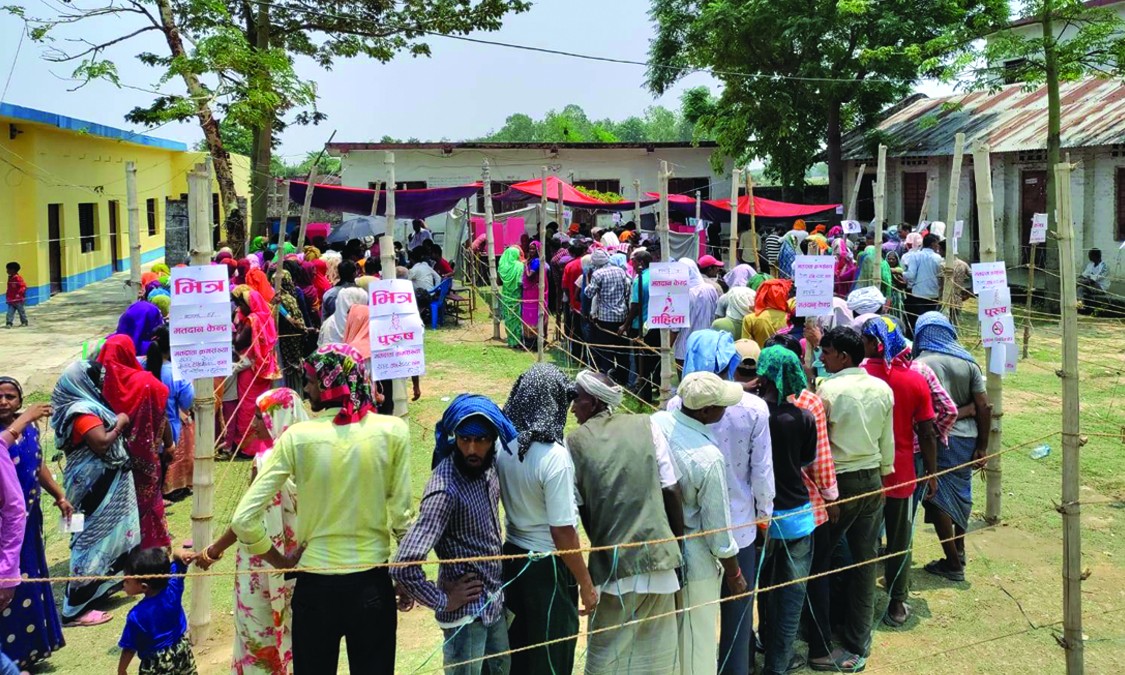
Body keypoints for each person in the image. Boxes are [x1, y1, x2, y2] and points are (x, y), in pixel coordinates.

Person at [230, 344, 413, 673]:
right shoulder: (392, 431)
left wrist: (280, 561)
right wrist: (407, 576)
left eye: (312, 381)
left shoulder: (297, 438)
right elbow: (402, 521)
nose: (308, 389)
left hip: (314, 590)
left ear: (332, 382)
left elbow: (243, 520)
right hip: (372, 586)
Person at [567, 371, 684, 675]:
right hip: (660, 562)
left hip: (614, 571)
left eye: (575, 398)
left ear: (592, 402)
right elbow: (671, 488)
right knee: (658, 658)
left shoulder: (574, 443)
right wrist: (677, 544)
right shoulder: (648, 424)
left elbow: (584, 512)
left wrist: (604, 541)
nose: (571, 407)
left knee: (606, 660)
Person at [391, 396, 512, 675]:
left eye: (481, 439)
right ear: (453, 437)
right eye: (464, 439)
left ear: (493, 438)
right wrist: (443, 600)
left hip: (493, 604)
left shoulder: (488, 466)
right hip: (466, 617)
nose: (471, 448)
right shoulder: (444, 490)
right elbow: (403, 564)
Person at [195, 388, 305, 674]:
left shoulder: (268, 462)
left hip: (262, 565)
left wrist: (213, 550)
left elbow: (246, 520)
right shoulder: (311, 458)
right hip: (301, 565)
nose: (253, 424)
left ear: (278, 420)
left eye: (260, 417)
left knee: (258, 635)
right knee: (295, 636)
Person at [498, 367, 596, 674]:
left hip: (512, 559)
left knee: (519, 654)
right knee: (552, 657)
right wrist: (586, 583)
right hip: (548, 570)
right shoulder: (554, 456)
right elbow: (563, 531)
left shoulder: (504, 448)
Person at [807, 327, 893, 673]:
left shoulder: (829, 390)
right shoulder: (881, 387)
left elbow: (820, 446)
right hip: (872, 476)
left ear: (843, 356)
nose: (821, 358)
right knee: (864, 561)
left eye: (825, 352)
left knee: (822, 561)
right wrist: (883, 473)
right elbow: (886, 441)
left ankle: (821, 637)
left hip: (838, 484)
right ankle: (858, 639)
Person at [653, 372, 748, 675]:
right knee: (698, 643)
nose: (725, 410)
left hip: (660, 547)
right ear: (705, 411)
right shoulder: (708, 458)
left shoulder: (658, 423)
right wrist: (734, 573)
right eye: (721, 405)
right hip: (695, 558)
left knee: (666, 638)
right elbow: (717, 531)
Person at [859, 317, 938, 628]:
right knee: (900, 539)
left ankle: (859, 599)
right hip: (902, 472)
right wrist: (931, 472)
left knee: (861, 540)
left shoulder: (857, 376)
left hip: (863, 471)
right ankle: (897, 601)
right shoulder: (914, 380)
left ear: (871, 344)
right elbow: (928, 431)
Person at [50, 359, 139, 627]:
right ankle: (74, 608)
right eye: (96, 377)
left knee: (106, 538)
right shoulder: (81, 411)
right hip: (94, 488)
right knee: (90, 542)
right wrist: (121, 422)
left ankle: (102, 588)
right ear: (82, 382)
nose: (101, 382)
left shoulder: (87, 404)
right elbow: (101, 443)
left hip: (103, 486)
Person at [913, 312, 991, 582]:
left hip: (938, 439)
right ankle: (959, 548)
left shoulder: (920, 364)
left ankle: (953, 562)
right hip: (968, 439)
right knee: (960, 493)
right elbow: (984, 405)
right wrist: (983, 446)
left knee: (936, 498)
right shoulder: (969, 362)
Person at [754, 346, 817, 675]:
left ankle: (762, 643)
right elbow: (807, 461)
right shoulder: (804, 417)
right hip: (796, 515)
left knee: (763, 588)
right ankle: (778, 664)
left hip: (760, 519)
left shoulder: (754, 413)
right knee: (791, 597)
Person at [0, 383, 65, 669]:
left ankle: (34, 648)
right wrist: (24, 417)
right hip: (6, 528)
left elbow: (38, 467)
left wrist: (60, 495)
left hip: (29, 521)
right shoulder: (5, 437)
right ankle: (11, 658)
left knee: (32, 579)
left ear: (20, 400)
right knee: (9, 586)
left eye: (9, 396)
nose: (3, 401)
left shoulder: (30, 430)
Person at [96, 335, 171, 549]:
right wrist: (168, 443)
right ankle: (150, 546)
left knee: (110, 507)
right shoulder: (147, 383)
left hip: (107, 460)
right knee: (147, 504)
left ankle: (116, 553)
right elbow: (162, 409)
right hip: (145, 458)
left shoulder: (94, 385)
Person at [117, 547, 197, 675]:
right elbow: (179, 557)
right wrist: (182, 554)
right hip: (181, 651)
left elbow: (129, 648)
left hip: (156, 663)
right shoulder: (173, 586)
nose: (123, 584)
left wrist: (122, 670)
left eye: (127, 581)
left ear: (144, 586)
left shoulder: (136, 615)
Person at [227, 287, 279, 458]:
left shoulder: (252, 320)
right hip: (263, 368)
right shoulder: (266, 316)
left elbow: (239, 343)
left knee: (247, 407)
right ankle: (261, 443)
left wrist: (234, 331)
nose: (239, 306)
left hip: (250, 369)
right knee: (260, 405)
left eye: (242, 303)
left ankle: (247, 447)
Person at [144, 328, 195, 502]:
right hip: (170, 428)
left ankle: (153, 497)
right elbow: (187, 401)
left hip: (145, 427)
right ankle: (160, 497)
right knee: (164, 464)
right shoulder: (176, 373)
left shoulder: (142, 366)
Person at [584, 249, 631, 383]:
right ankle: (623, 378)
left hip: (605, 318)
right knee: (621, 350)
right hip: (622, 316)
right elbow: (627, 291)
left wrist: (588, 279)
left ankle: (608, 378)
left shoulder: (597, 274)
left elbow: (589, 293)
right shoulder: (620, 271)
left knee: (606, 350)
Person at [674, 258, 720, 370]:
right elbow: (716, 314)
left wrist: (664, 349)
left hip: (684, 349)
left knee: (686, 384)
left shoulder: (682, 294)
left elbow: (675, 328)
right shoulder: (711, 289)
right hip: (707, 345)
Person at [273, 270, 310, 392]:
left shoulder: (270, 300)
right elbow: (299, 322)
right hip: (291, 342)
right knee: (292, 373)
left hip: (278, 343)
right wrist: (306, 330)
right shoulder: (288, 300)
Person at [902, 233, 944, 336]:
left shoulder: (915, 256)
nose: (938, 246)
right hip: (933, 295)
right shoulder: (938, 258)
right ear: (933, 244)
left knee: (918, 321)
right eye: (937, 244)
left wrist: (900, 273)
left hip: (918, 294)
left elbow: (911, 275)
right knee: (930, 321)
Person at [742, 278, 792, 347]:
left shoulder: (750, 319)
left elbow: (746, 345)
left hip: (760, 357)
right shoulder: (790, 318)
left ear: (762, 295)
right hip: (785, 357)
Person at [520, 241, 549, 346]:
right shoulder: (531, 260)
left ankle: (537, 339)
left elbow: (529, 276)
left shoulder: (537, 261)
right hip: (528, 292)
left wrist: (525, 266)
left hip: (535, 292)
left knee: (536, 314)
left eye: (533, 249)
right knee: (528, 314)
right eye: (530, 249)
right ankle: (529, 338)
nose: (531, 251)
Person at [497, 246, 525, 348]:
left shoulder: (502, 266)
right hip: (516, 295)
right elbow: (521, 282)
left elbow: (498, 282)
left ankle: (511, 340)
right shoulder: (519, 266)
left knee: (509, 318)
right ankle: (517, 341)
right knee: (516, 318)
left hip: (506, 296)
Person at [4, 262, 27, 328]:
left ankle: (24, 322)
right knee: (10, 312)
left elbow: (23, 287)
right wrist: (8, 296)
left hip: (18, 299)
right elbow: (9, 289)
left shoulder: (18, 278)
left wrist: (19, 294)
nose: (7, 271)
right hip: (11, 299)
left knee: (21, 311)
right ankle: (9, 323)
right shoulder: (10, 278)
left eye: (8, 269)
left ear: (13, 270)